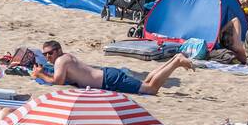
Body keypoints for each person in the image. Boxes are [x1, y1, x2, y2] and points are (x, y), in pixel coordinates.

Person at [36, 39, 193, 95]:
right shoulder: (66, 58)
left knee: (151, 89)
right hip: (108, 75)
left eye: (49, 53)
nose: (47, 57)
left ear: (58, 51)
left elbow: (58, 81)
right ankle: (174, 60)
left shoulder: (60, 61)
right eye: (45, 55)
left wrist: (40, 74)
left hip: (109, 80)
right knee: (147, 82)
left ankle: (176, 62)